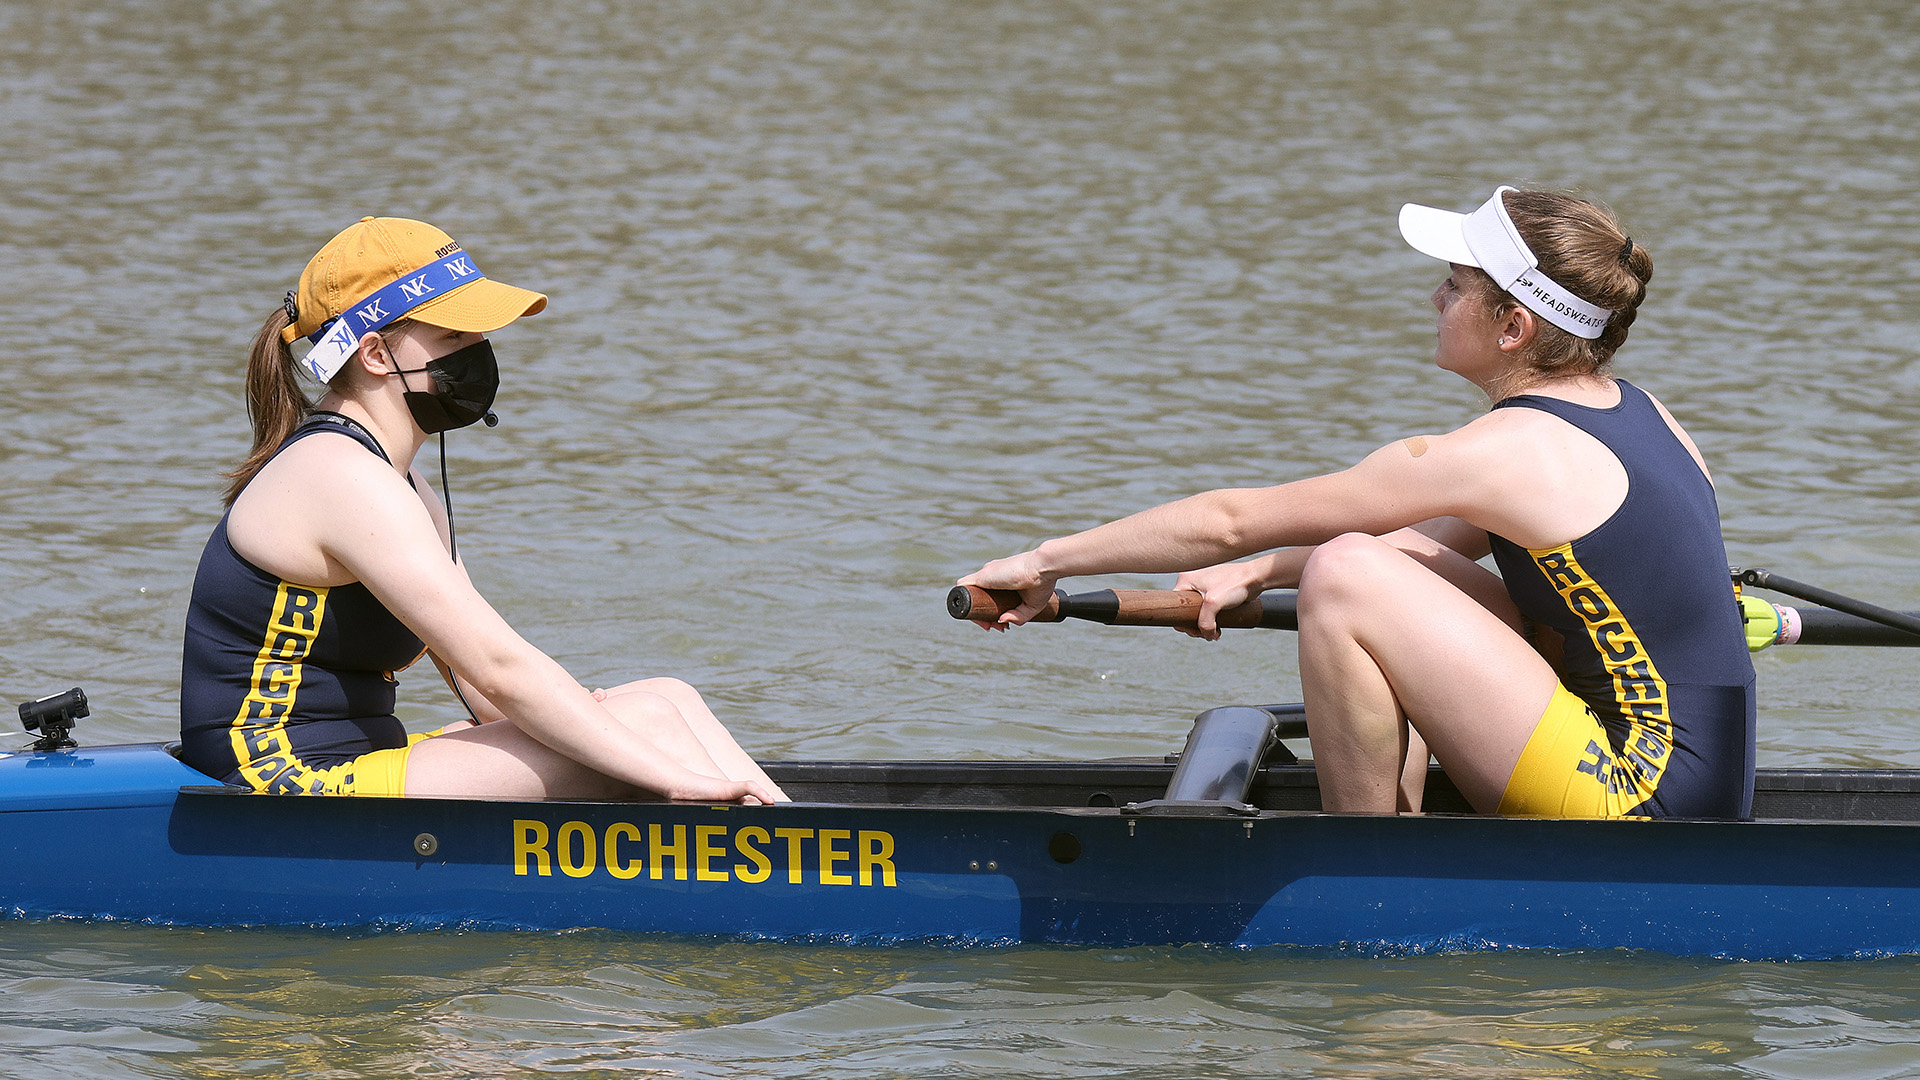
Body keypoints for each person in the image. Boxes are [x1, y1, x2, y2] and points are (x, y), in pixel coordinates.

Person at [959, 186, 1755, 819]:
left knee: (1344, 572)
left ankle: (1366, 864)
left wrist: (1042, 561)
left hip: (1638, 796)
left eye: (1455, 285)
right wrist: (1264, 571)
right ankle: (1394, 818)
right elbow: (1421, 546)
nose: (1433, 299)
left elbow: (1229, 519)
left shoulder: (1503, 452)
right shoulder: (1640, 411)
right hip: (1704, 780)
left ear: (1513, 325)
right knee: (1377, 562)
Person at [180, 216, 786, 804]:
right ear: (372, 354)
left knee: (665, 695)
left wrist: (582, 724)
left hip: (353, 762)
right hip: (276, 779)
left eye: (478, 336)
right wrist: (669, 773)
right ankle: (801, 875)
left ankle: (804, 848)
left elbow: (474, 680)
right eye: (453, 337)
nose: (479, 352)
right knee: (650, 727)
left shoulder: (405, 483)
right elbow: (498, 667)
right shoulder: (339, 476)